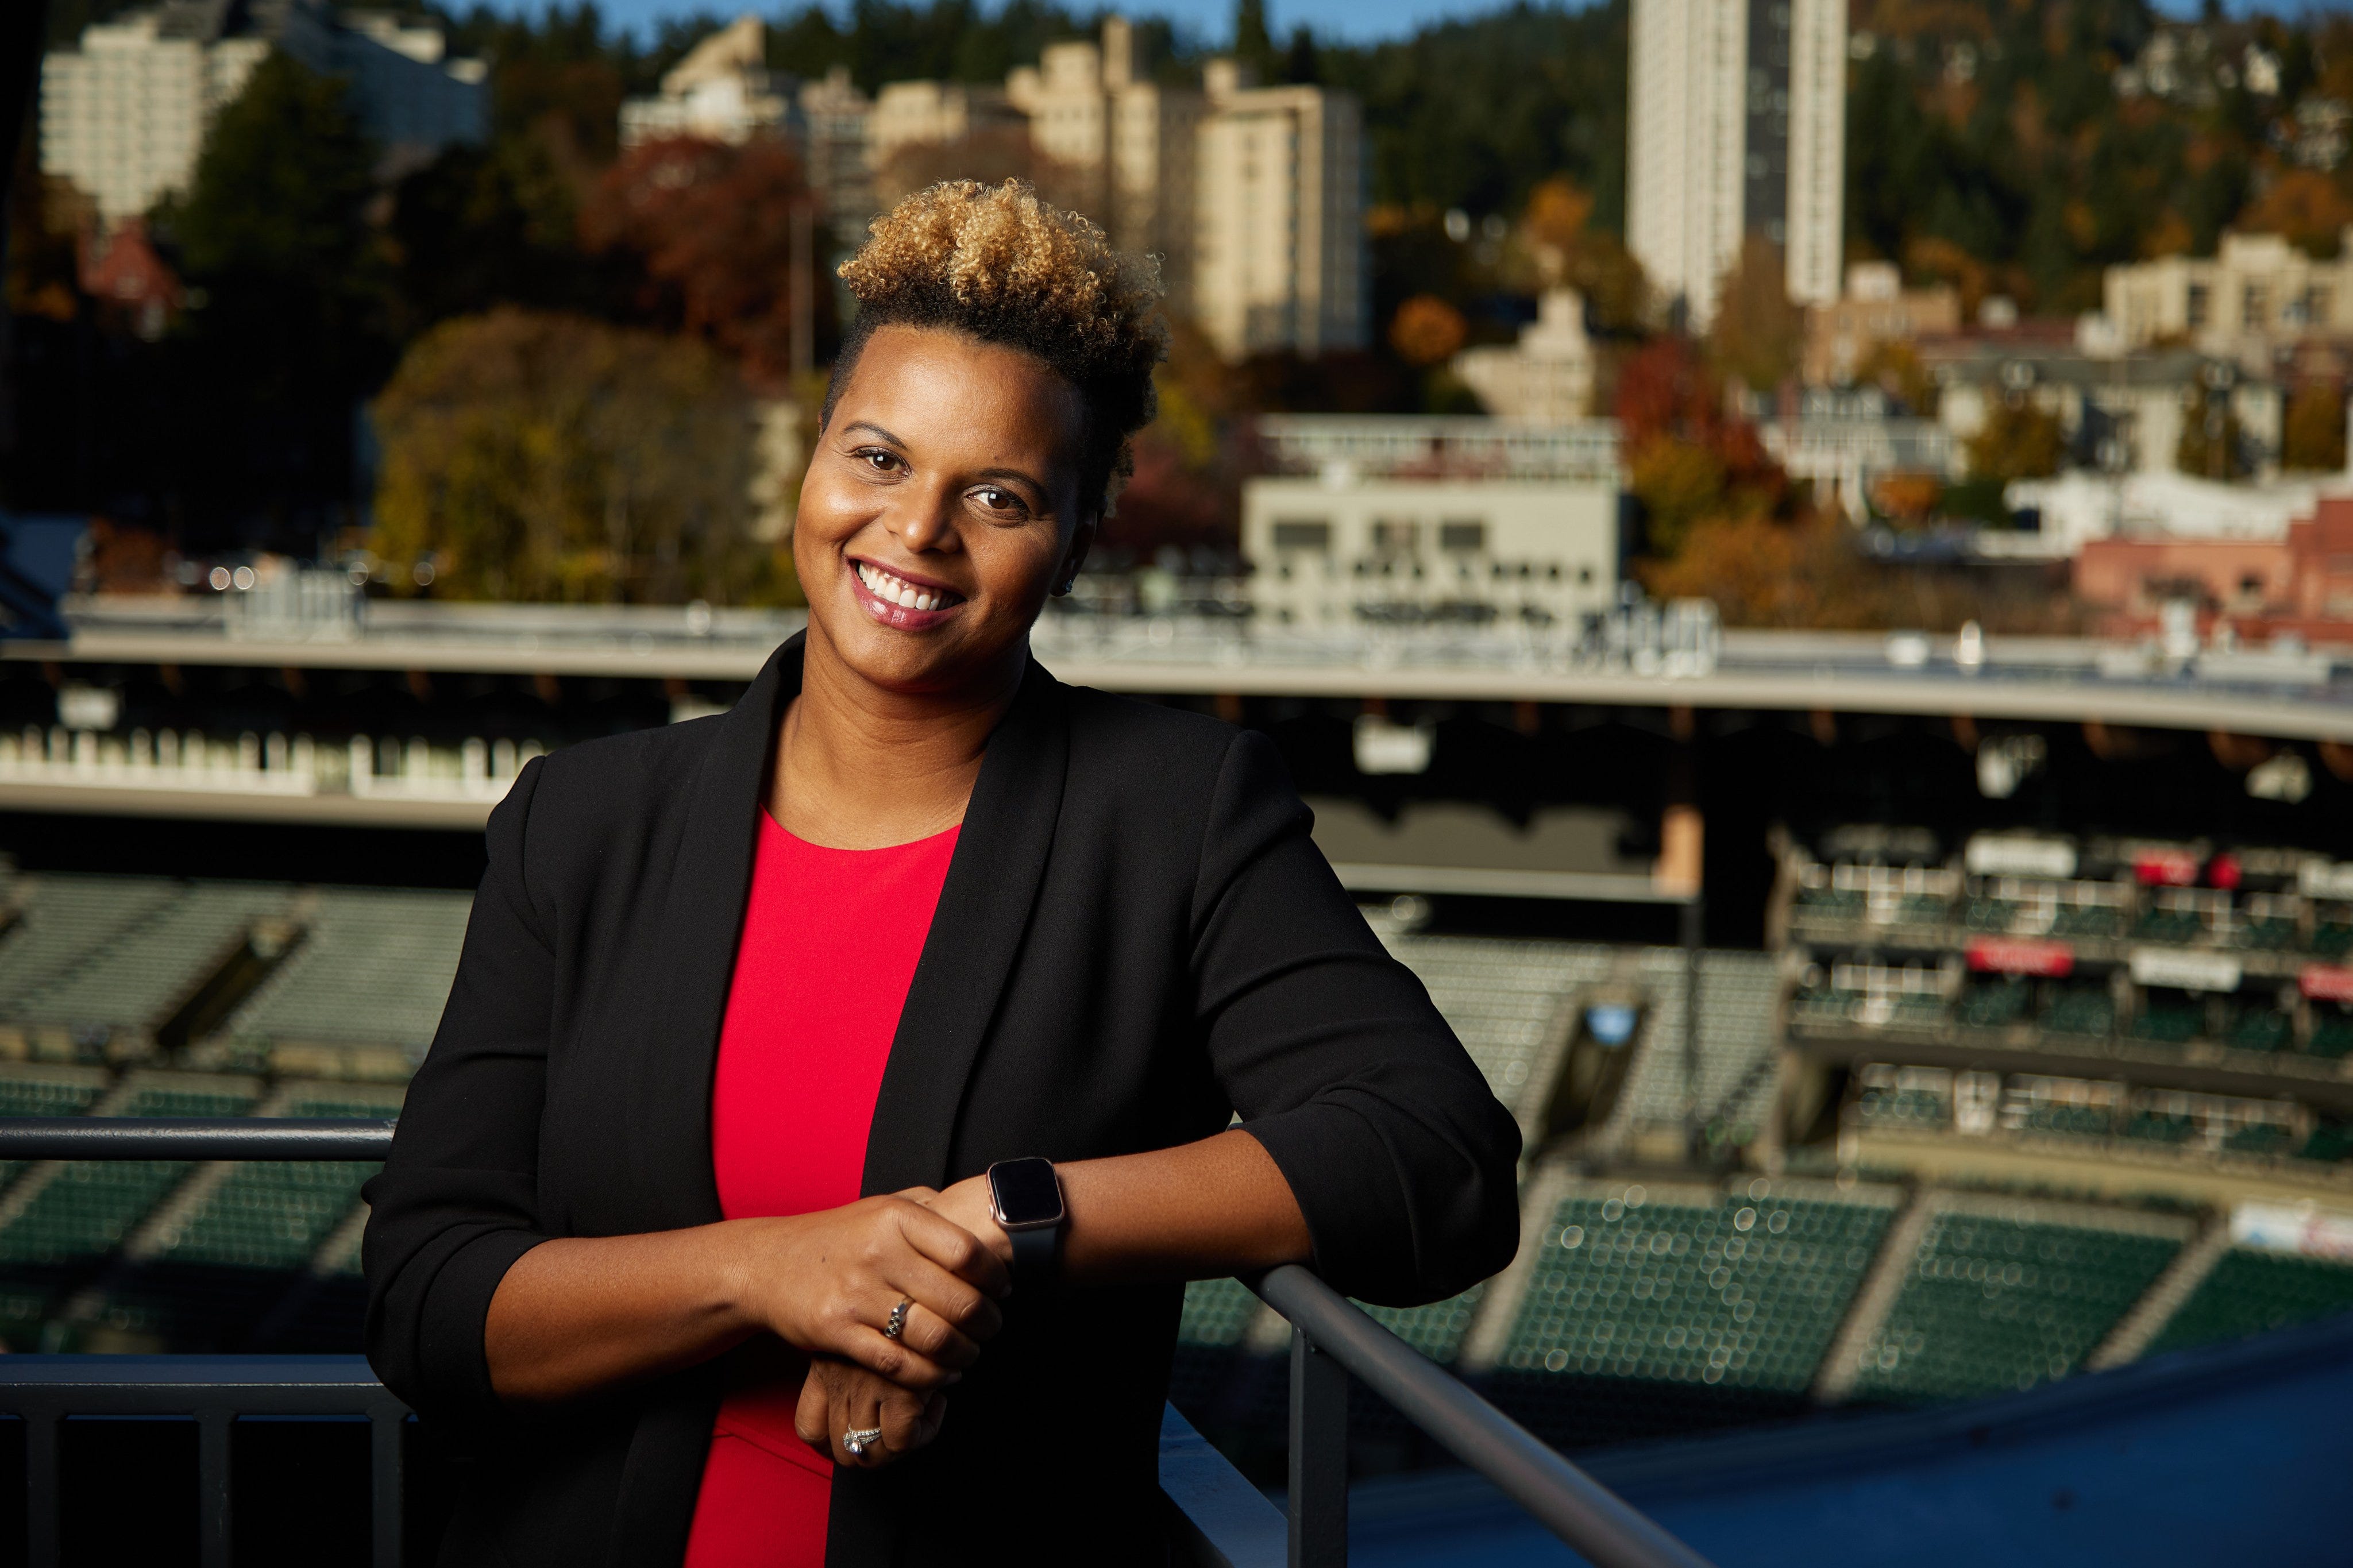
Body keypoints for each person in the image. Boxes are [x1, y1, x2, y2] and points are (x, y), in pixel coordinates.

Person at [364, 179, 1521, 1567]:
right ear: (812, 463)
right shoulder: (585, 821)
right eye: (877, 457)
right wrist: (775, 1271)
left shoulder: (1168, 816)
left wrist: (997, 1223)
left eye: (998, 494)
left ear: (1079, 542)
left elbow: (1438, 1162)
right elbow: (427, 1300)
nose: (915, 531)